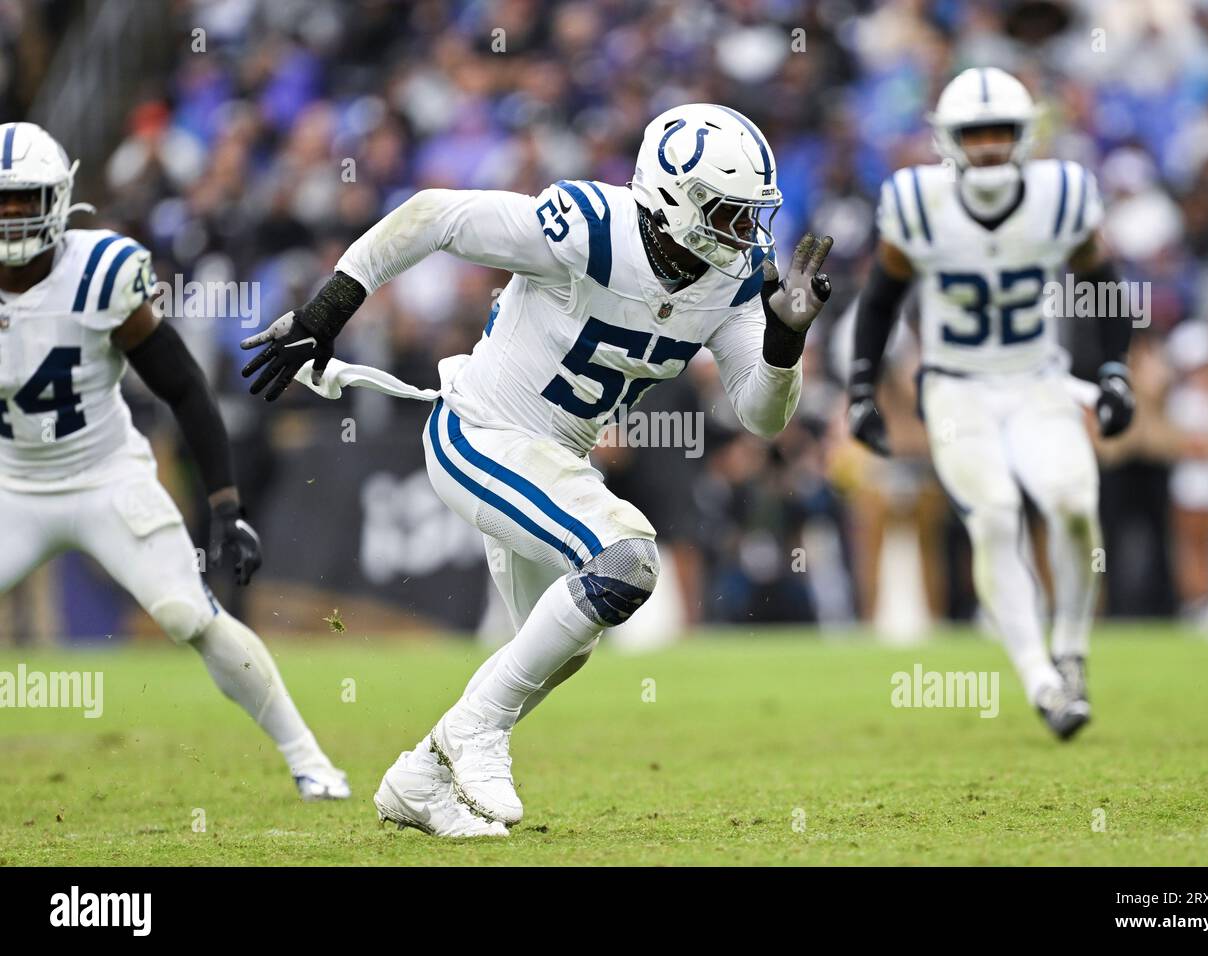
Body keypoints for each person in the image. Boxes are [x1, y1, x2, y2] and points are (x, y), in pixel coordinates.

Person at [240, 103, 834, 835]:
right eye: (727, 213)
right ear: (674, 202)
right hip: (481, 434)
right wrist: (327, 310)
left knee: (564, 649)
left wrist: (783, 344)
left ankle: (421, 776)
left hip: (555, 459)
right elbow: (434, 214)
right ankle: (475, 734)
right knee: (627, 560)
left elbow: (762, 415)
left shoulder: (736, 278)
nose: (745, 233)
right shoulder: (588, 226)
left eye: (752, 215)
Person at [0, 122, 348, 799]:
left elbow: (184, 386)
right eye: (0, 200)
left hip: (105, 476)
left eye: (25, 199)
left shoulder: (98, 276)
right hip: (10, 485)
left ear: (60, 199)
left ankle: (310, 758)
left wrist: (224, 505)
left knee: (186, 613)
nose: (11, 215)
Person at [846, 70, 1136, 740]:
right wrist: (863, 387)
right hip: (957, 388)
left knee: (1071, 503)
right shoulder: (919, 202)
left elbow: (1101, 280)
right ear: (949, 141)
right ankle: (1040, 680)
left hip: (1038, 380)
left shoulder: (1061, 195)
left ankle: (1070, 652)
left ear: (1024, 135)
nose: (986, 147)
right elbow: (883, 296)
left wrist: (1115, 370)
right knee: (997, 516)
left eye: (999, 132)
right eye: (973, 135)